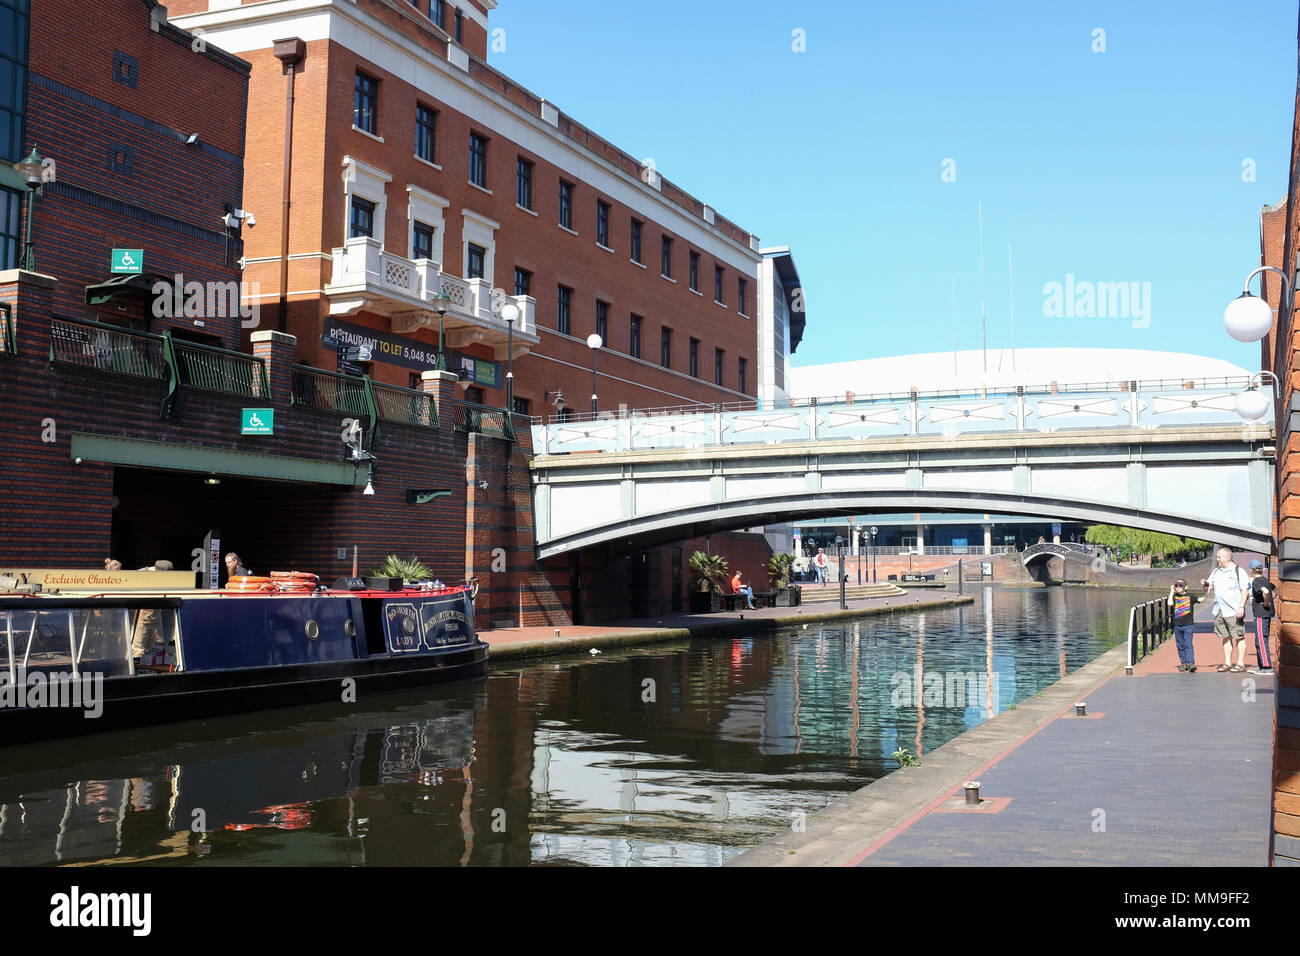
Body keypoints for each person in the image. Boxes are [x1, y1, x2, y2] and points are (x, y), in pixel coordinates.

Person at [1203, 546, 1250, 673]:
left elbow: (1245, 590)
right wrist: (1205, 586)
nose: (1217, 559)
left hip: (1234, 610)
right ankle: (1227, 662)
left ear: (1227, 557)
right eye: (1217, 556)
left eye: (1219, 557)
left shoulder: (1238, 571)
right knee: (1225, 636)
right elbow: (1208, 589)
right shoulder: (1216, 571)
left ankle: (1240, 663)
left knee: (1238, 636)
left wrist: (1241, 607)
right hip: (1219, 610)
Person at [1167, 578, 1203, 673]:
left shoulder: (1190, 596)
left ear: (1185, 587)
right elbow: (1169, 603)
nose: (1178, 587)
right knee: (1180, 645)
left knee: (1188, 644)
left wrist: (1208, 591)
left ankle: (1191, 663)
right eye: (1176, 585)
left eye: (1180, 585)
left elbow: (1200, 599)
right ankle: (1183, 663)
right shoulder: (1174, 597)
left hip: (1188, 624)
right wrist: (1171, 592)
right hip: (1177, 624)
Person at [1248, 559, 1276, 676]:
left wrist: (1266, 602)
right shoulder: (1265, 580)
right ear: (1261, 570)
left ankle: (1266, 666)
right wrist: (1270, 600)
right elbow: (1275, 590)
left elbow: (1265, 591)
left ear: (1251, 570)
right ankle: (1260, 665)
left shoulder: (1257, 581)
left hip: (1261, 613)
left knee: (1261, 640)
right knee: (1260, 639)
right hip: (1266, 614)